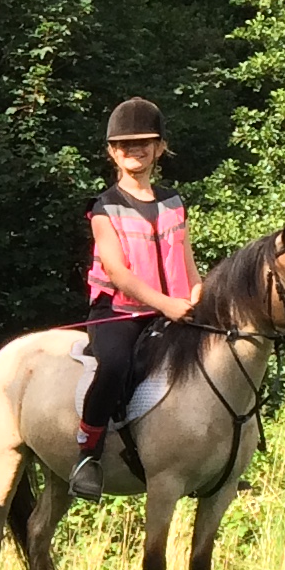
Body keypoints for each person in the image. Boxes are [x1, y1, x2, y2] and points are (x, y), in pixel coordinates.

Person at [69, 95, 198, 500]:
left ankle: (214, 452)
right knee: (114, 366)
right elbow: (117, 273)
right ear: (112, 152)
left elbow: (188, 262)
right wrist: (166, 304)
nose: (133, 150)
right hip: (119, 312)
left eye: (143, 142)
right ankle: (87, 455)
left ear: (160, 147)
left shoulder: (174, 202)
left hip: (174, 310)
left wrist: (197, 295)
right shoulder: (105, 207)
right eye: (124, 144)